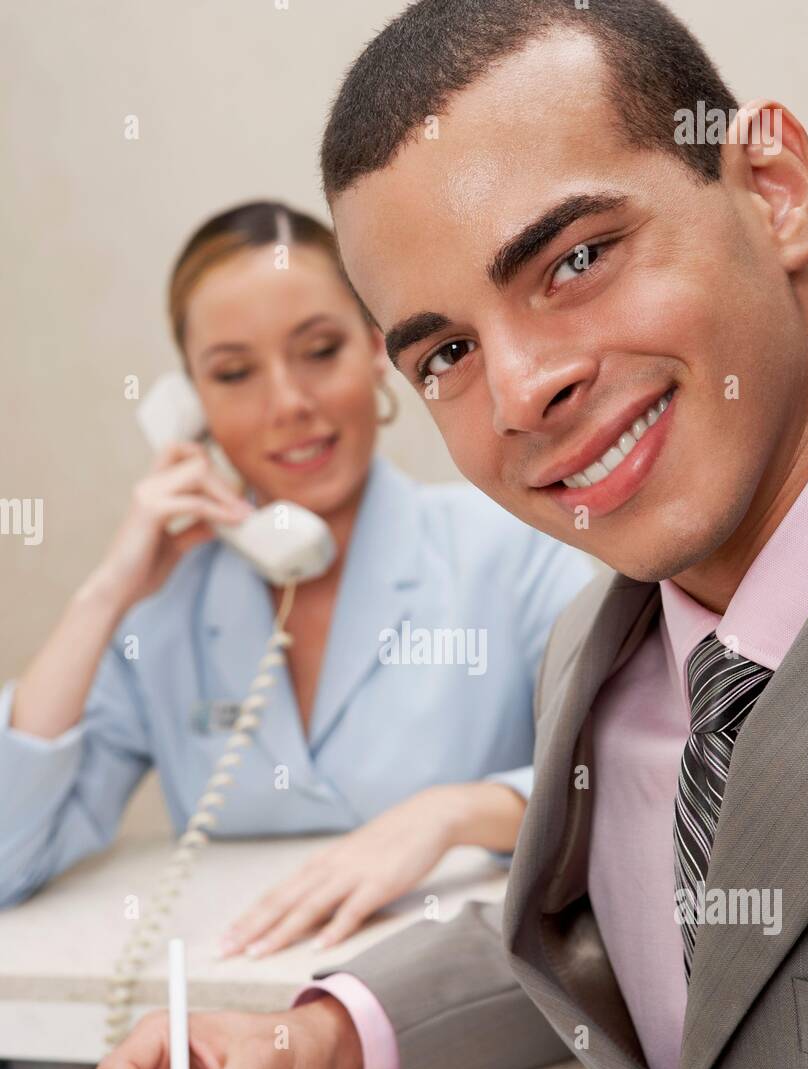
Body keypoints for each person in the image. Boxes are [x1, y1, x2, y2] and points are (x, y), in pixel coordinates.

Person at [94, 0, 808, 1069]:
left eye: (572, 260)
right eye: (445, 351)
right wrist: (329, 1038)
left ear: (773, 188)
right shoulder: (603, 651)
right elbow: (682, 944)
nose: (515, 391)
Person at [0, 200, 595, 953]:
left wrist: (456, 812)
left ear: (376, 353)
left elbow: (628, 789)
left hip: (445, 1016)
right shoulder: (163, 609)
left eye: (319, 350)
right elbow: (6, 858)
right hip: (226, 1021)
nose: (287, 404)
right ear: (190, 405)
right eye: (235, 372)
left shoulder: (509, 549)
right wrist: (106, 593)